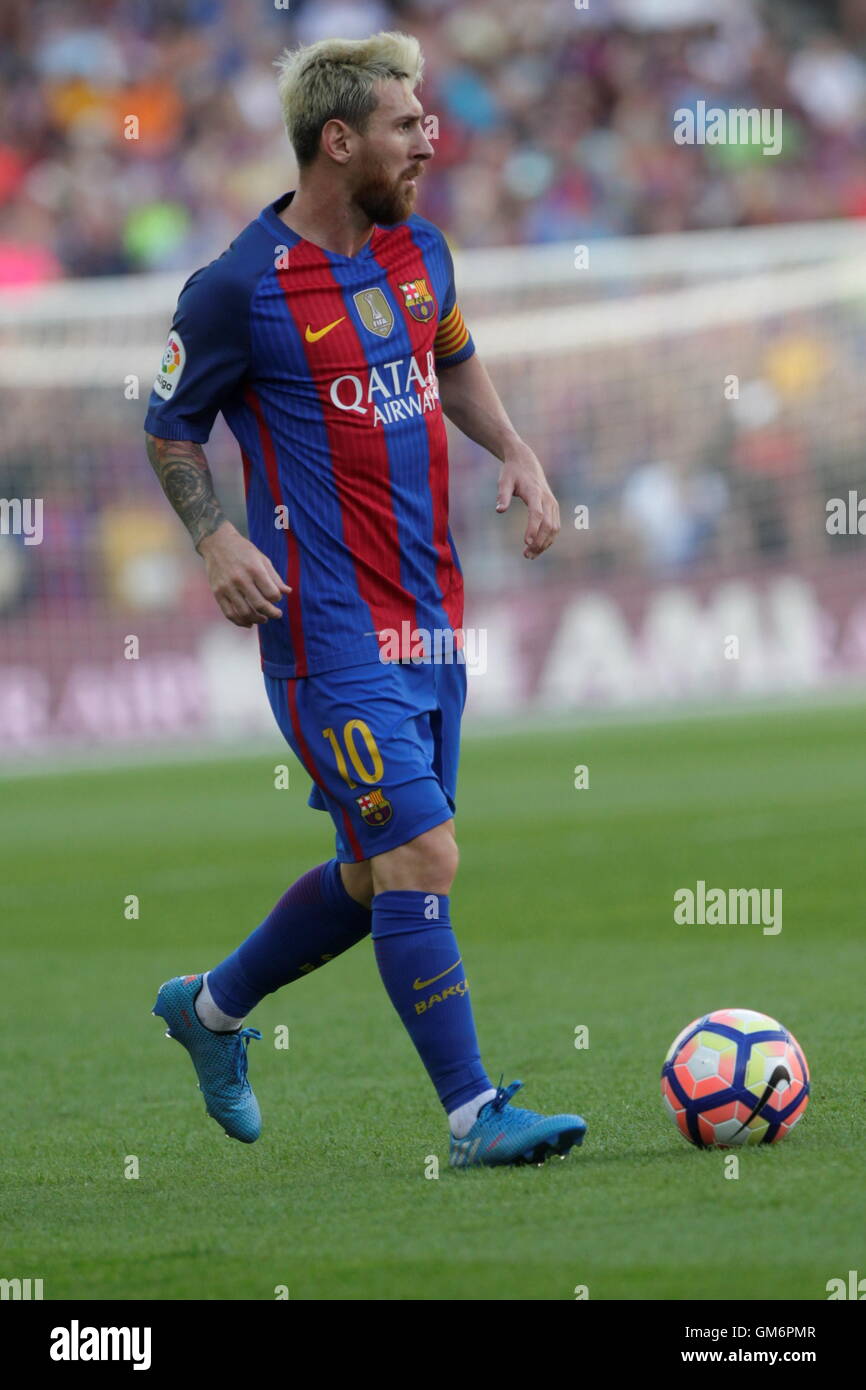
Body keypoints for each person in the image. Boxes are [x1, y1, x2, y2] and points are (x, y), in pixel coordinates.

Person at [143, 31, 586, 1168]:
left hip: (427, 616)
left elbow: (448, 360)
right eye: (407, 124)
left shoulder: (419, 249)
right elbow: (170, 426)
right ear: (337, 141)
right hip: (324, 627)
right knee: (426, 855)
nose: (429, 139)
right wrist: (212, 536)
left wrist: (518, 450)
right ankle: (474, 1116)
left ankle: (207, 1011)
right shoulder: (239, 287)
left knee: (373, 870)